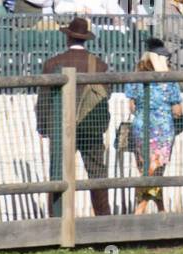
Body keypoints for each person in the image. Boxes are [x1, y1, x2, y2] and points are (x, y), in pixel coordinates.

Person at [38, 17, 112, 218]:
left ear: (68, 38)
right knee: (97, 175)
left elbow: (44, 99)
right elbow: (106, 96)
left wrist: (43, 127)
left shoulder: (52, 64)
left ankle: (57, 220)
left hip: (61, 128)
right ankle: (103, 220)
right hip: (91, 126)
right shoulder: (99, 65)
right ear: (85, 39)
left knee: (59, 175)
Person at [123, 43, 183, 214]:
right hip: (162, 130)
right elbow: (177, 110)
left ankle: (161, 210)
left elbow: (132, 107)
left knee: (147, 170)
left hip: (141, 128)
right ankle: (139, 211)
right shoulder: (168, 81)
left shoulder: (135, 77)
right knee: (154, 171)